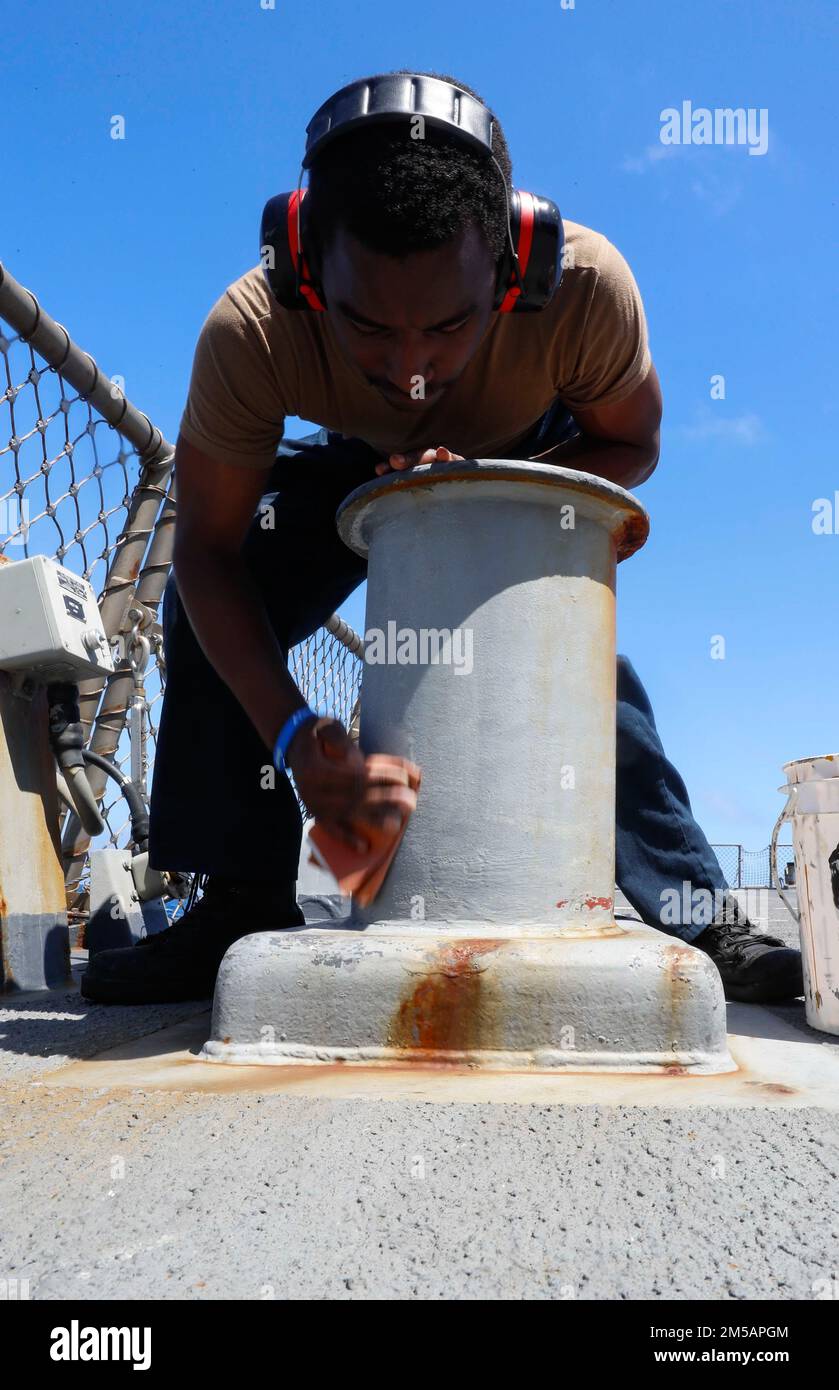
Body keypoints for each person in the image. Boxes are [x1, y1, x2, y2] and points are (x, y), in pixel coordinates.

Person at [81, 69, 802, 1007]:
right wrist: (294, 736)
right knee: (211, 600)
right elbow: (209, 554)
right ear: (307, 271)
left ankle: (698, 911)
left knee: (573, 664)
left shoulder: (584, 289)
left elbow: (635, 441)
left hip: (524, 452)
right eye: (366, 329)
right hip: (355, 466)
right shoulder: (250, 332)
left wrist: (492, 495)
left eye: (450, 326)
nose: (411, 370)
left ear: (516, 265)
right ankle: (238, 904)